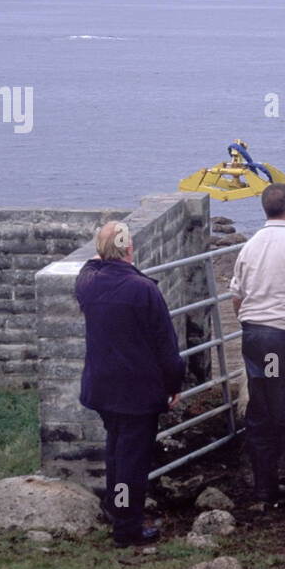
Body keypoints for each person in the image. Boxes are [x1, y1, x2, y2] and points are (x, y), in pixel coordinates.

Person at [75, 220, 184, 547]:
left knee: (116, 453)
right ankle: (126, 529)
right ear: (129, 249)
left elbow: (89, 263)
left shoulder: (88, 283)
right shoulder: (144, 290)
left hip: (104, 387)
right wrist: (174, 382)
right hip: (137, 391)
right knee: (131, 463)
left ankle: (117, 509)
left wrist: (104, 251)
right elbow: (166, 346)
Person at [229, 183, 285, 509]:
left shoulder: (249, 247)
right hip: (281, 340)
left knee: (261, 411)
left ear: (265, 209)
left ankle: (265, 489)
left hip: (254, 337)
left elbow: (236, 298)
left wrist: (251, 325)